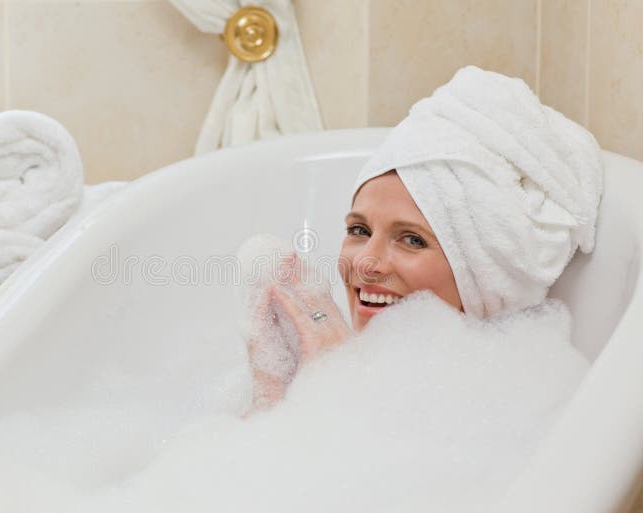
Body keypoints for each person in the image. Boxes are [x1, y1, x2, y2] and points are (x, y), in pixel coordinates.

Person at [246, 65, 604, 411]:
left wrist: (334, 378)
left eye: (412, 240)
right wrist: (271, 388)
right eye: (359, 230)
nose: (366, 263)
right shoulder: (346, 370)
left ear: (481, 273)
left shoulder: (494, 405)